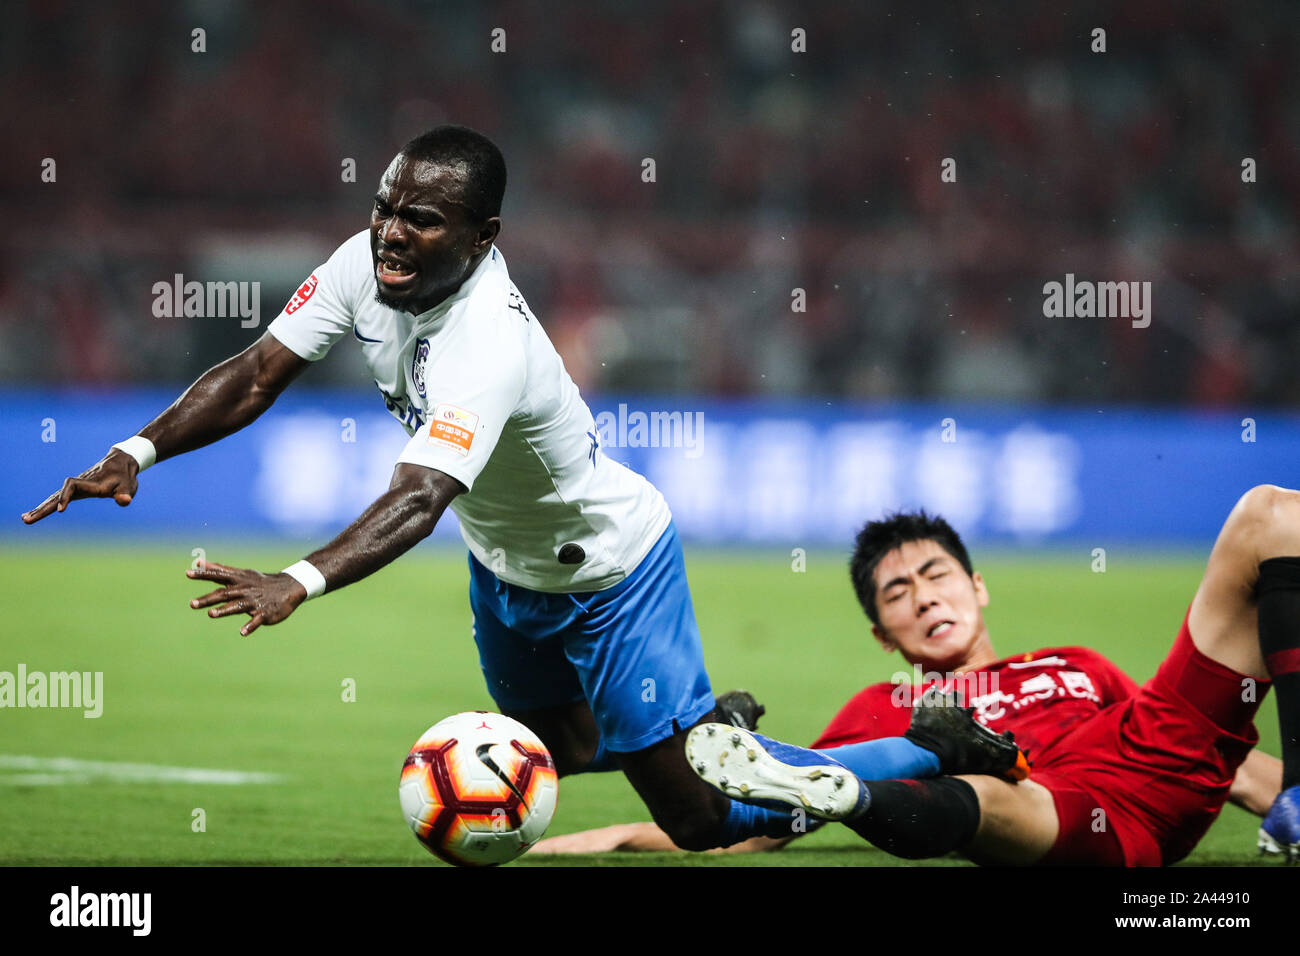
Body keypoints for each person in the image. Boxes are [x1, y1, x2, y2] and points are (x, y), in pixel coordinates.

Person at [22, 125, 950, 852]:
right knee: (562, 749)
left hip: (608, 574)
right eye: (387, 204)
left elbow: (421, 497)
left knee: (698, 822)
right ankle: (709, 726)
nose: (392, 229)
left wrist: (294, 582)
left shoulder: (488, 345)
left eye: (422, 219)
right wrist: (136, 453)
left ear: (482, 236)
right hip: (507, 570)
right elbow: (259, 372)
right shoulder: (365, 262)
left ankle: (906, 756)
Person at [536, 504, 1298, 865]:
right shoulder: (881, 712)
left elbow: (1225, 767)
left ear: (978, 585)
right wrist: (601, 839)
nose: (925, 596)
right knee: (987, 789)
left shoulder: (1075, 663)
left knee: (1270, 518)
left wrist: (1281, 792)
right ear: (882, 635)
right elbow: (764, 824)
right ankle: (872, 791)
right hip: (1056, 817)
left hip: (1154, 766)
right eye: (897, 593)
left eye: (936, 575)